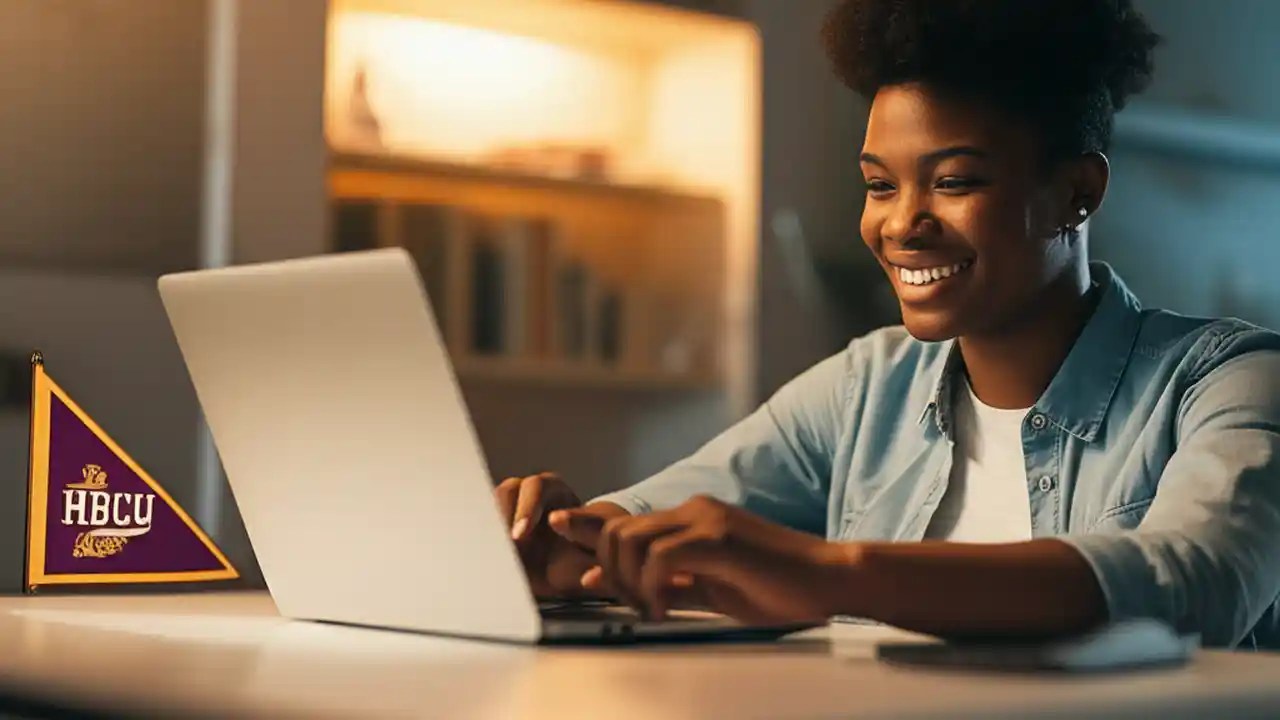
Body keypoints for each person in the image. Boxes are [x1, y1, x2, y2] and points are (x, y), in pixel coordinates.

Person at [494, 0, 1280, 649]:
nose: (903, 224)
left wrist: (832, 571)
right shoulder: (867, 388)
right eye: (878, 185)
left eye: (956, 180)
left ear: (1077, 191)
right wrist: (559, 541)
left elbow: (1195, 581)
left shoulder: (1230, 380)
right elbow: (654, 526)